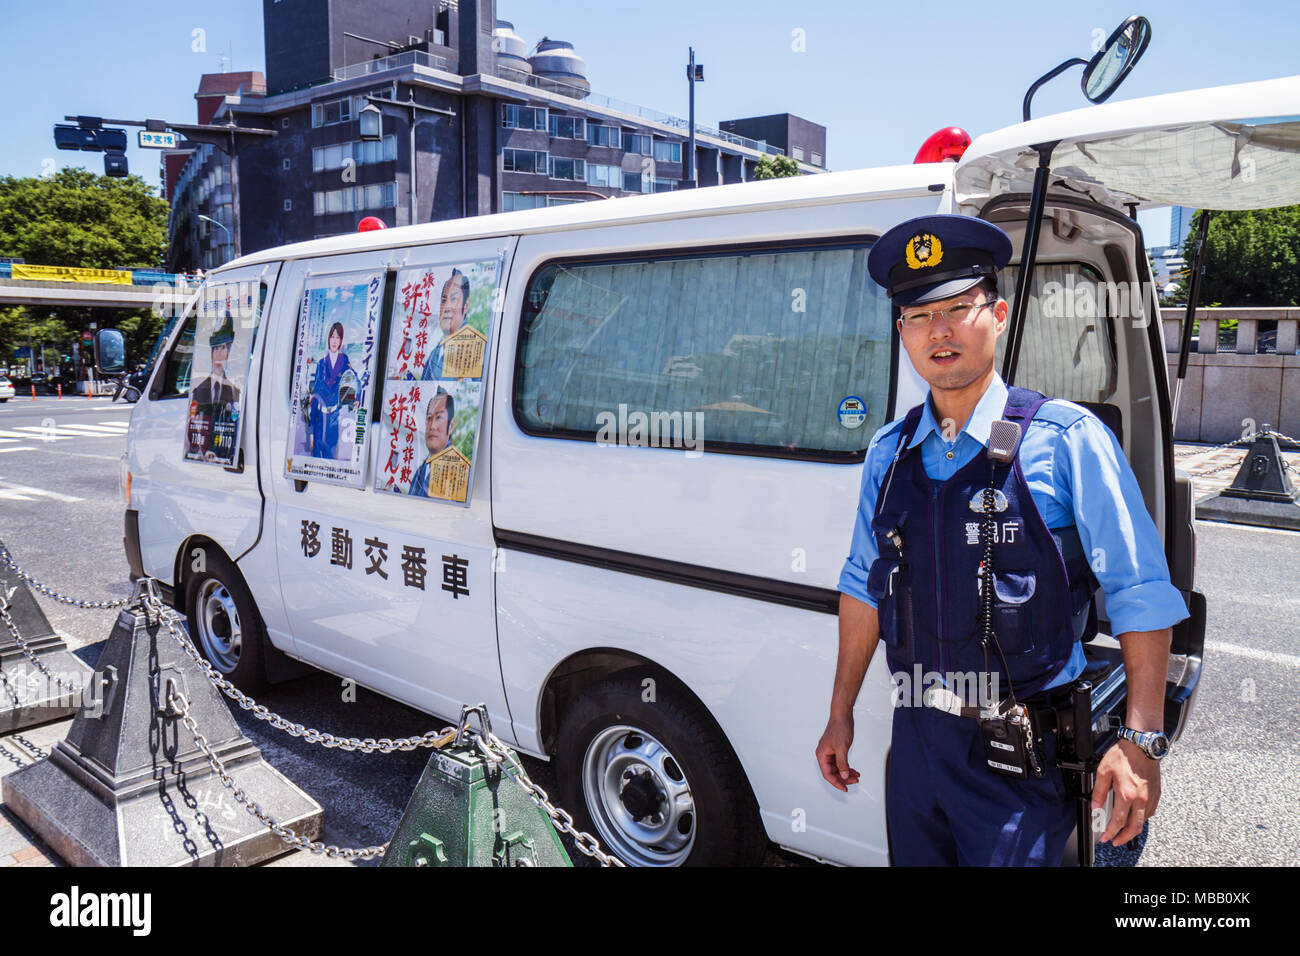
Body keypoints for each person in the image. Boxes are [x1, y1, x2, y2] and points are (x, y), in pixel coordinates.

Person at [815, 214, 1188, 866]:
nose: (940, 330)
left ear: (998, 313)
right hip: (918, 745)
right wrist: (840, 711)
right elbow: (862, 585)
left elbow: (1141, 590)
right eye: (918, 315)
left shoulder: (1064, 441)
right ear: (902, 332)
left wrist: (1141, 739)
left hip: (1020, 753)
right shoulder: (888, 454)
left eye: (959, 307)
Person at [187, 313, 241, 460]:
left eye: (223, 347)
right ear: (210, 353)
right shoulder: (198, 390)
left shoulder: (234, 390)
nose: (219, 354)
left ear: (229, 351)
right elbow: (192, 427)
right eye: (215, 348)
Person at [310, 321, 351, 459]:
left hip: (335, 418)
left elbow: (350, 382)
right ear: (328, 339)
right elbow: (315, 394)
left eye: (337, 337)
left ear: (341, 341)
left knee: (330, 459)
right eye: (332, 337)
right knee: (315, 461)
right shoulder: (322, 363)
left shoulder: (344, 361)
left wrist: (353, 401)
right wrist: (311, 429)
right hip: (320, 418)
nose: (334, 341)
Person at [420, 270, 471, 381]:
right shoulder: (436, 350)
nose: (446, 307)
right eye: (443, 300)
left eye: (453, 299)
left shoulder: (471, 348)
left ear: (466, 305)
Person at [408, 388, 455, 497]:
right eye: (429, 418)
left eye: (439, 417)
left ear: (451, 426)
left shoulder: (459, 470)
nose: (432, 426)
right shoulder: (421, 470)